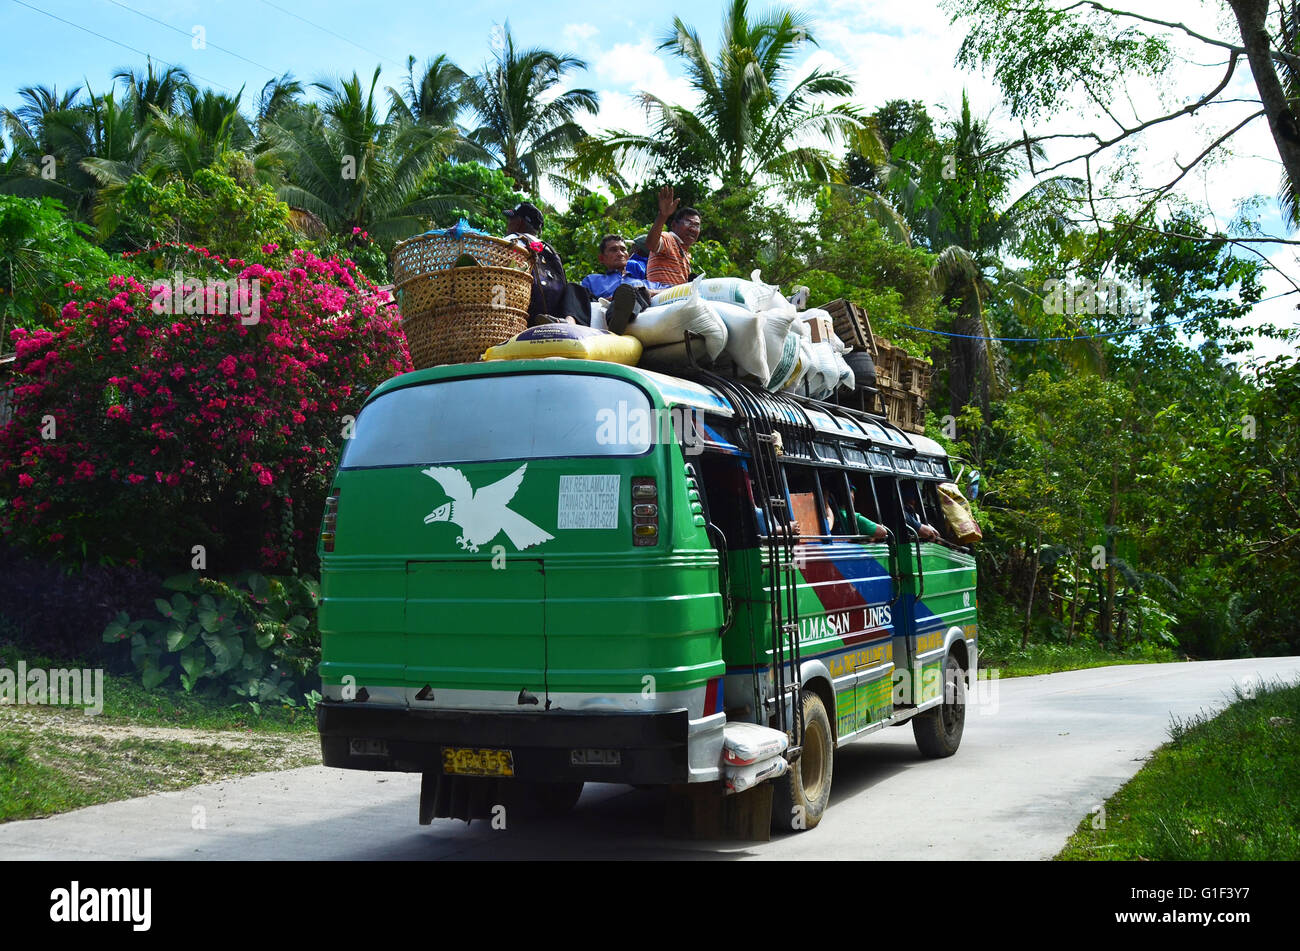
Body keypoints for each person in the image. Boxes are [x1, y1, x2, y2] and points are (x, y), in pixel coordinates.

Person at [504, 202, 590, 326]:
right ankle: (569, 322)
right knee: (575, 288)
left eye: (511, 219)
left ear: (519, 222)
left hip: (523, 306)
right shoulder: (548, 248)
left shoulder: (512, 240)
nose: (509, 223)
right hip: (554, 311)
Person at [646, 186, 701, 287]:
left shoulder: (686, 253)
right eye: (688, 223)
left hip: (676, 298)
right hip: (661, 297)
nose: (693, 229)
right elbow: (651, 244)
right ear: (674, 225)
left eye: (696, 225)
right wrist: (663, 215)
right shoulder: (669, 239)